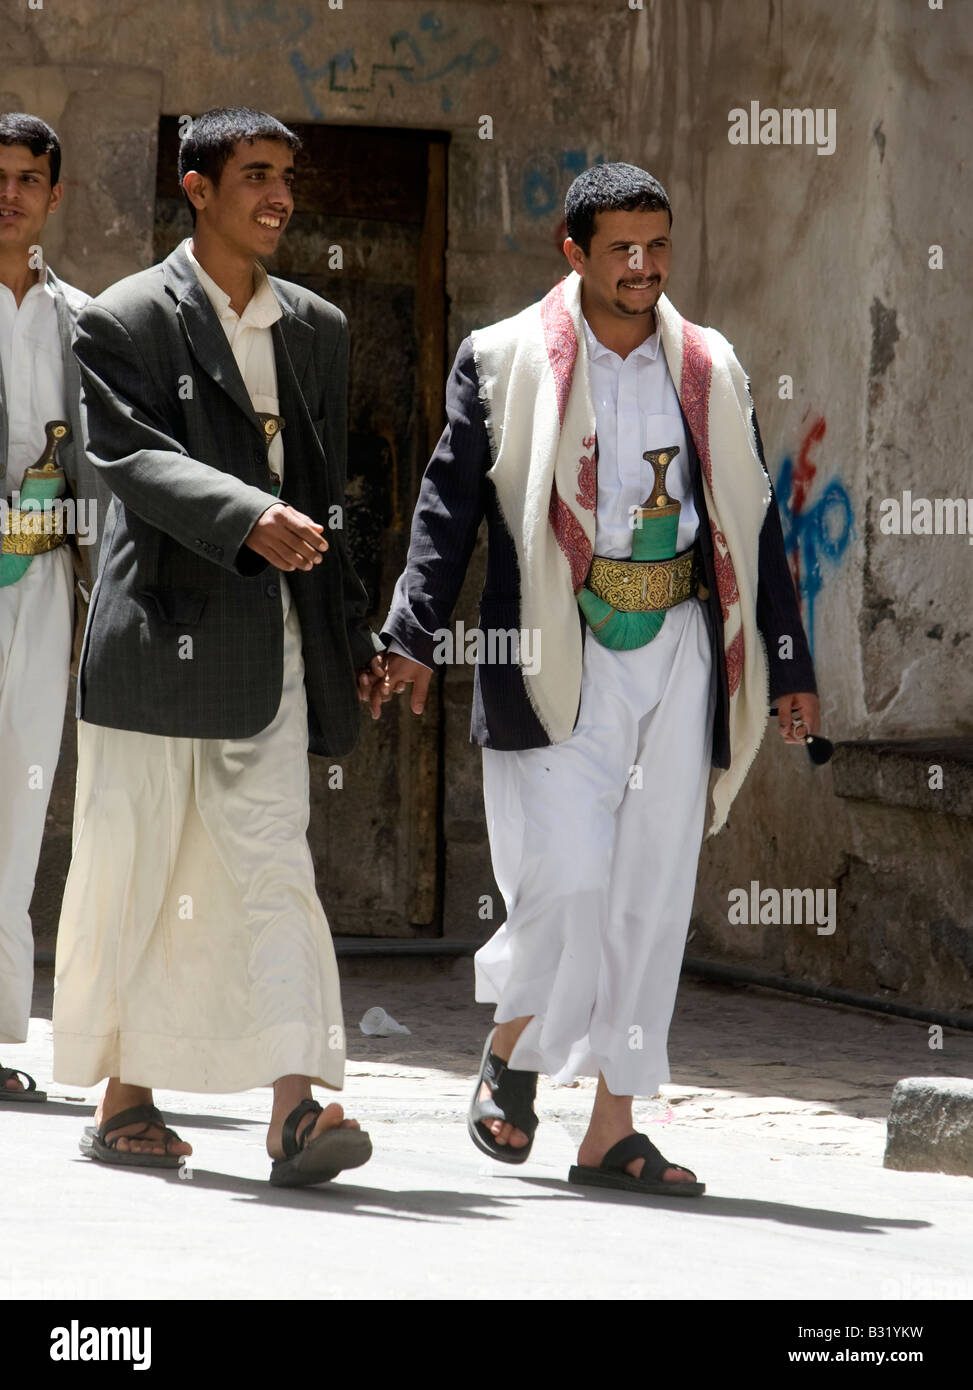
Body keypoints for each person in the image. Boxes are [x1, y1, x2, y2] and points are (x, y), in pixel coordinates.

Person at [381, 163, 818, 1197]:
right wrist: (409, 632)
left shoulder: (709, 366)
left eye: (657, 246)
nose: (642, 266)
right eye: (620, 247)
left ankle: (613, 1127)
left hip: (678, 645)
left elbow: (753, 523)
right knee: (567, 872)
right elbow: (448, 510)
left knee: (653, 888)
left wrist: (790, 662)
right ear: (571, 250)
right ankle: (514, 1047)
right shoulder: (503, 360)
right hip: (557, 642)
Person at [52, 108, 386, 1187]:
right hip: (156, 641)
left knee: (272, 866)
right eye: (255, 175)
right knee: (137, 869)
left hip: (274, 646)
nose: (279, 196)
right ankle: (124, 1096)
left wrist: (358, 626)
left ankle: (298, 1104)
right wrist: (246, 514)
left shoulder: (318, 328)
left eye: (287, 176)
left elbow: (334, 497)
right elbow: (127, 459)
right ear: (196, 188)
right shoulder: (122, 318)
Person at [0, 114, 103, 1104]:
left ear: (54, 195)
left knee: (20, 801)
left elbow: (100, 468)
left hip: (39, 584)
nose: (12, 193)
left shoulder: (81, 319)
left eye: (29, 177)